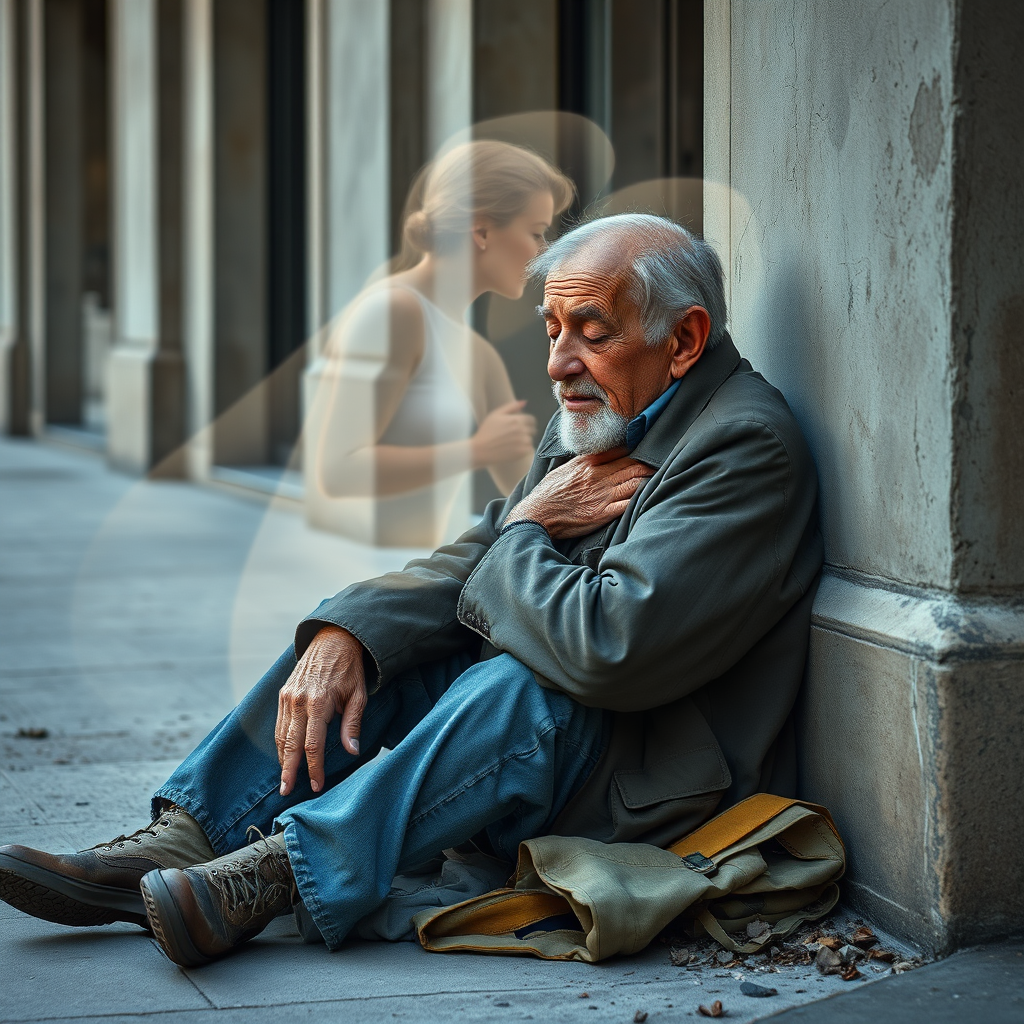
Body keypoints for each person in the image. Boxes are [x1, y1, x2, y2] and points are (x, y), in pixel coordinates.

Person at [0, 214, 823, 968]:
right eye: (551, 330)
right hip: (577, 733)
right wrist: (347, 633)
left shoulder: (745, 443)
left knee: (518, 680)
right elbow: (480, 550)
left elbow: (610, 646)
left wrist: (523, 535)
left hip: (651, 782)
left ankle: (279, 874)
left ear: (683, 340)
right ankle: (189, 836)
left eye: (591, 332)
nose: (557, 362)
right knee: (379, 645)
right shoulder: (605, 410)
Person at [307, 139, 574, 548]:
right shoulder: (393, 311)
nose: (545, 251)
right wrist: (474, 450)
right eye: (536, 232)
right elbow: (337, 470)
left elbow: (529, 491)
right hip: (367, 578)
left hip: (426, 572)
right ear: (481, 230)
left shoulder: (478, 355)